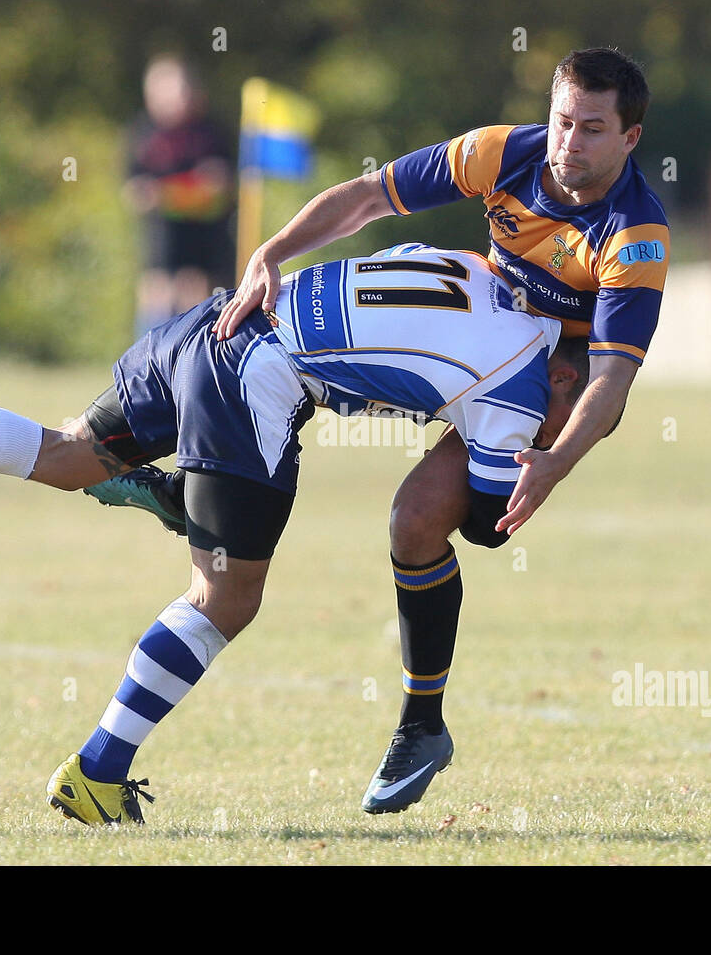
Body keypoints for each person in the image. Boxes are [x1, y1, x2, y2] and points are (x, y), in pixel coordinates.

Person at [0, 244, 590, 824]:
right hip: (255, 384)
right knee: (226, 597)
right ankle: (99, 772)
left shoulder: (474, 275)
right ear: (564, 374)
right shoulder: (523, 391)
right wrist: (521, 459)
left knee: (68, 454)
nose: (552, 434)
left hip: (216, 324)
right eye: (568, 415)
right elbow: (484, 525)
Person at [122, 47, 671, 812]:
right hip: (474, 334)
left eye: (592, 130)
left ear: (630, 139)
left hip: (554, 384)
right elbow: (368, 198)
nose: (568, 143)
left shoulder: (634, 234)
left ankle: (420, 724)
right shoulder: (498, 153)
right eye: (562, 122)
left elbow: (612, 376)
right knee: (326, 360)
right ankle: (203, 490)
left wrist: (559, 461)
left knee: (428, 525)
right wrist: (274, 253)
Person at [125, 55, 233, 336]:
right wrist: (157, 195)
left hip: (206, 235)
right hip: (163, 235)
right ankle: (147, 362)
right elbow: (132, 190)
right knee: (158, 292)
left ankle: (193, 359)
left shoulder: (210, 132)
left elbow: (227, 181)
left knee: (197, 293)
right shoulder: (143, 133)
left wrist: (211, 184)